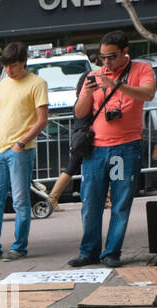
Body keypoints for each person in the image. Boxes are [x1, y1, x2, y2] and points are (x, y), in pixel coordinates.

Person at [70, 31, 157, 268]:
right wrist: (86, 94)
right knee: (91, 202)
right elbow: (79, 113)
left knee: (120, 202)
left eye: (112, 56)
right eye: (102, 57)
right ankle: (88, 251)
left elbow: (148, 93)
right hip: (97, 148)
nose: (106, 62)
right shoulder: (94, 74)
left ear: (125, 52)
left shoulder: (141, 70)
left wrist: (117, 85)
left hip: (126, 147)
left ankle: (112, 252)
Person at [0, 42, 48, 262]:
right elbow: (2, 115)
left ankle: (19, 246)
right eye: (6, 66)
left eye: (14, 65)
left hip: (20, 149)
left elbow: (42, 120)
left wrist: (22, 141)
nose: (9, 70)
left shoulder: (37, 83)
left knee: (20, 200)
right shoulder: (4, 84)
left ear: (23, 62)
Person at [49, 49, 102, 209]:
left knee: (71, 168)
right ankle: (52, 198)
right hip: (87, 138)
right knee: (85, 168)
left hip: (79, 138)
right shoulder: (87, 101)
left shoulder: (79, 100)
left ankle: (52, 198)